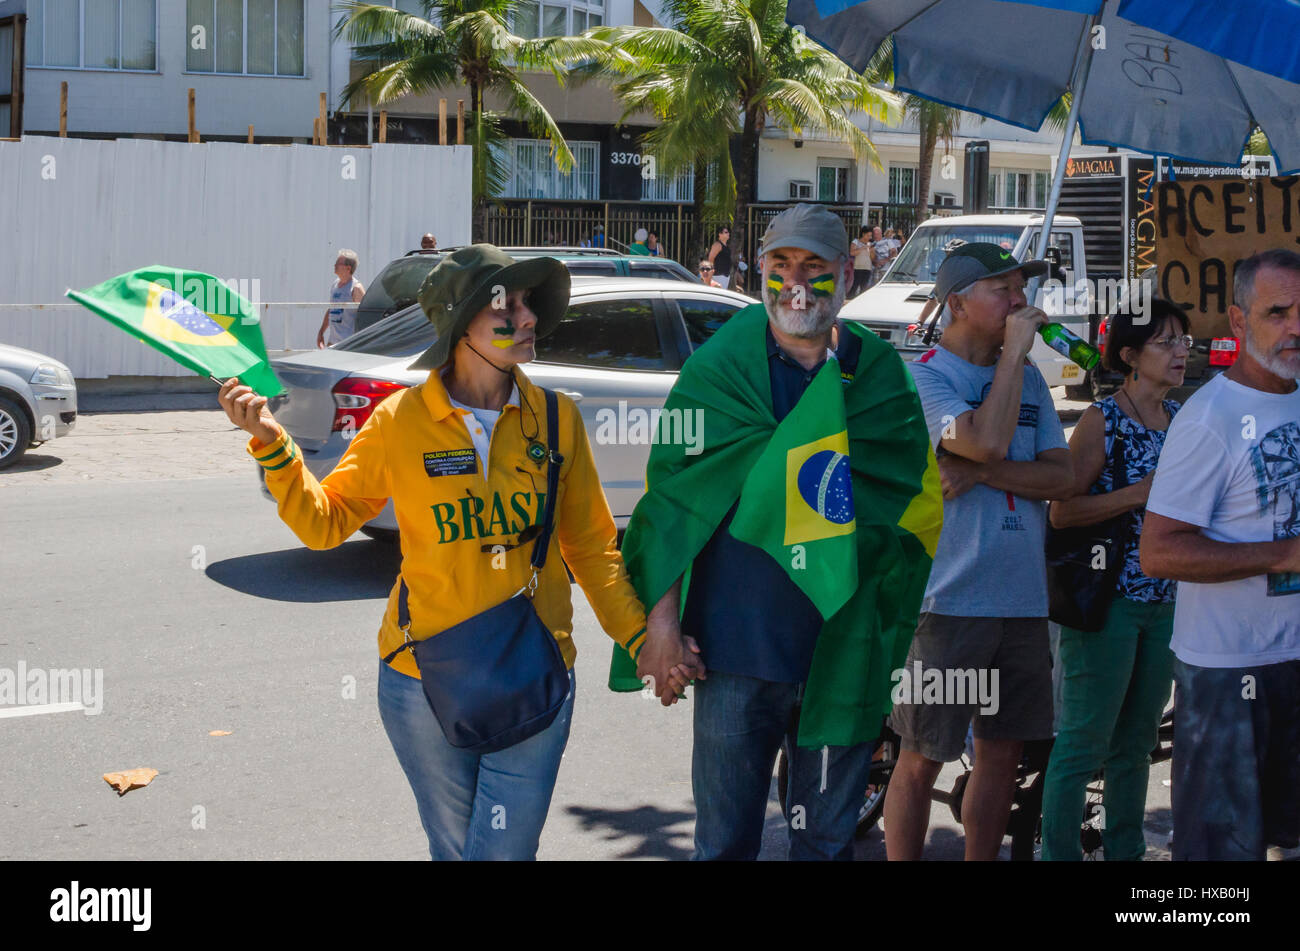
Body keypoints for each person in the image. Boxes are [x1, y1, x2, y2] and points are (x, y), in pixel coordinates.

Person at [223, 245, 649, 860]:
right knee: (454, 850)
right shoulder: (400, 420)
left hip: (533, 672)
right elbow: (327, 523)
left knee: (502, 853)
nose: (527, 318)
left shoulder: (556, 420)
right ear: (462, 325)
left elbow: (591, 548)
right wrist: (272, 445)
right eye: (508, 305)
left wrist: (642, 640)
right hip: (419, 680)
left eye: (530, 304)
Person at [624, 203, 941, 860]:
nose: (795, 282)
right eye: (780, 264)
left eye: (815, 267)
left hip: (843, 655)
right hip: (733, 656)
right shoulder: (720, 369)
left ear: (845, 277)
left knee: (825, 845)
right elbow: (670, 506)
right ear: (759, 271)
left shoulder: (878, 377)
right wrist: (659, 625)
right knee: (723, 845)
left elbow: (913, 513)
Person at [884, 242, 1072, 861]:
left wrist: (981, 472)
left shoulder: (1033, 380)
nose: (1021, 302)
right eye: (1004, 289)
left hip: (1021, 597)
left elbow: (1060, 479)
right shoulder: (926, 377)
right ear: (957, 302)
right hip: (949, 599)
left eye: (1023, 288)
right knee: (923, 757)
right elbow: (988, 442)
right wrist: (1014, 360)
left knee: (1003, 755)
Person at [1141, 248, 1300, 862]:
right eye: (1277, 312)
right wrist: (1284, 554)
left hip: (1291, 657)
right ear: (1238, 322)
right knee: (1220, 859)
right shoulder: (1209, 419)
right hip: (1230, 671)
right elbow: (1158, 552)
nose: (1295, 327)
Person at [1039, 300, 1191, 861]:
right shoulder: (1105, 420)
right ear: (1129, 356)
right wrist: (1137, 494)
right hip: (1107, 602)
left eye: (1184, 342)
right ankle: (1057, 852)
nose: (1181, 353)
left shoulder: (1180, 419)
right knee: (1083, 742)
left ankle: (1125, 852)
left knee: (1139, 744)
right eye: (1166, 342)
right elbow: (1061, 512)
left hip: (1165, 600)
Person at [316, 249, 365, 348]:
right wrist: (321, 332)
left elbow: (365, 317)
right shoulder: (335, 285)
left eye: (338, 263)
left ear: (348, 268)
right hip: (333, 343)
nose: (335, 265)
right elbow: (331, 309)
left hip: (349, 343)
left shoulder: (356, 288)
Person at [850, 225, 874, 297]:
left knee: (863, 289)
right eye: (868, 235)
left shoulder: (870, 244)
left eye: (870, 236)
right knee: (854, 286)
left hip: (867, 268)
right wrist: (862, 248)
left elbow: (872, 258)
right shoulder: (855, 242)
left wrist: (871, 251)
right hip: (857, 268)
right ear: (863, 234)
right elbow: (852, 253)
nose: (869, 238)